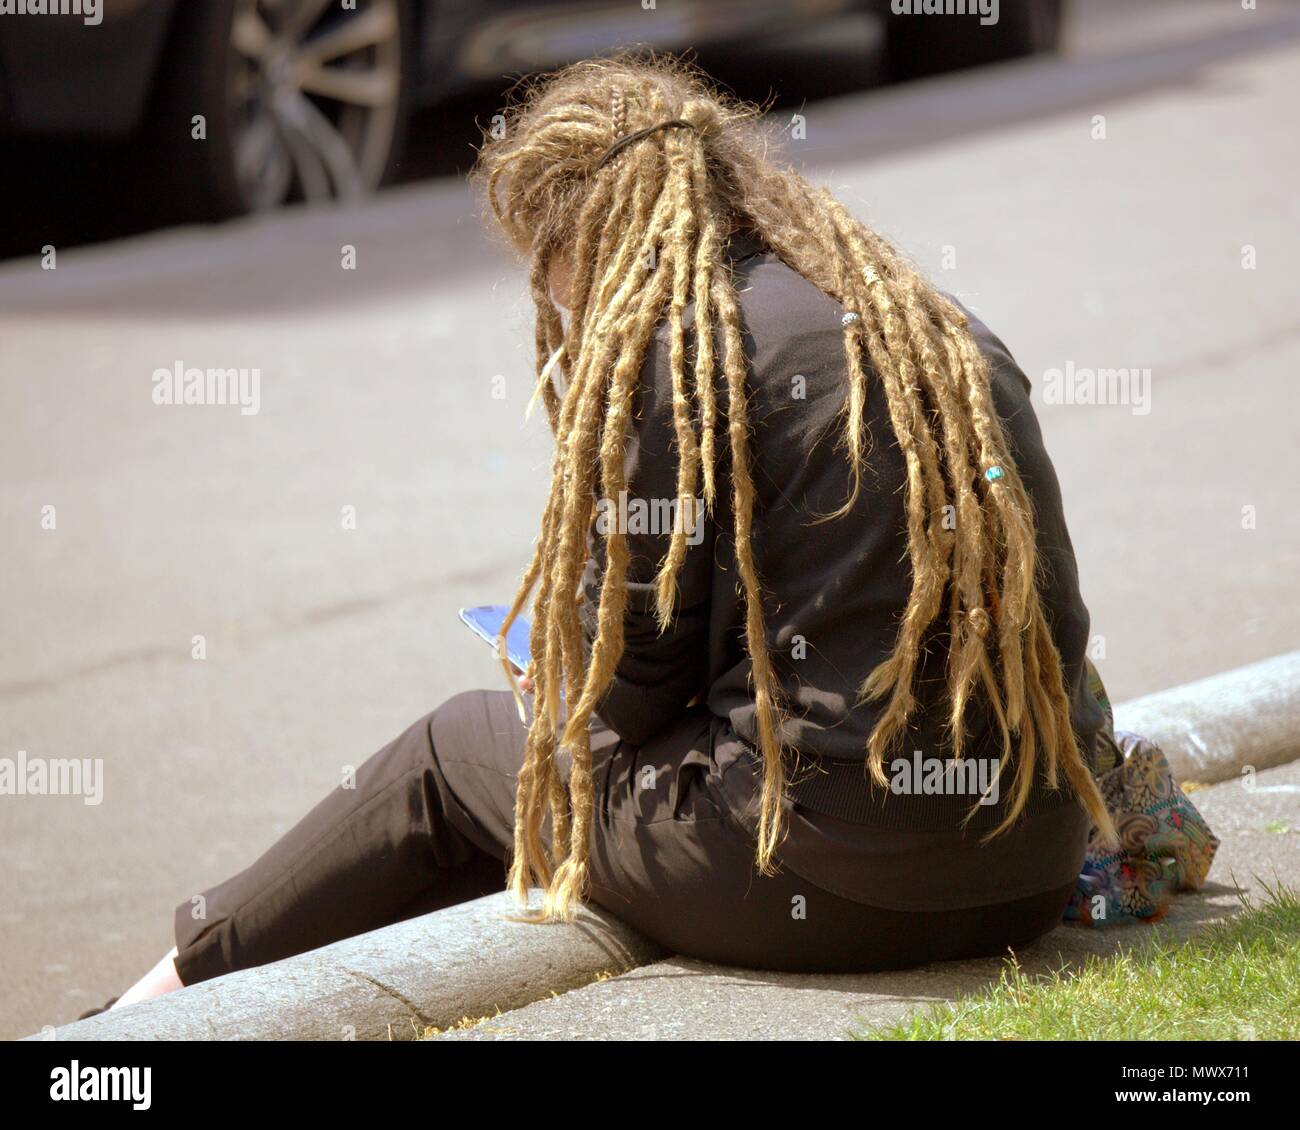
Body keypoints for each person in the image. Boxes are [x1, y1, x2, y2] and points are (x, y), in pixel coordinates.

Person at [101, 54, 1136, 1014]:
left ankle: (150, 1006)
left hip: (828, 882)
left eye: (539, 261)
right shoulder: (928, 317)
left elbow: (624, 685)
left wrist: (545, 682)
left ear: (576, 237)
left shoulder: (685, 352)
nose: (546, 295)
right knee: (525, 795)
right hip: (1026, 864)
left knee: (452, 751)